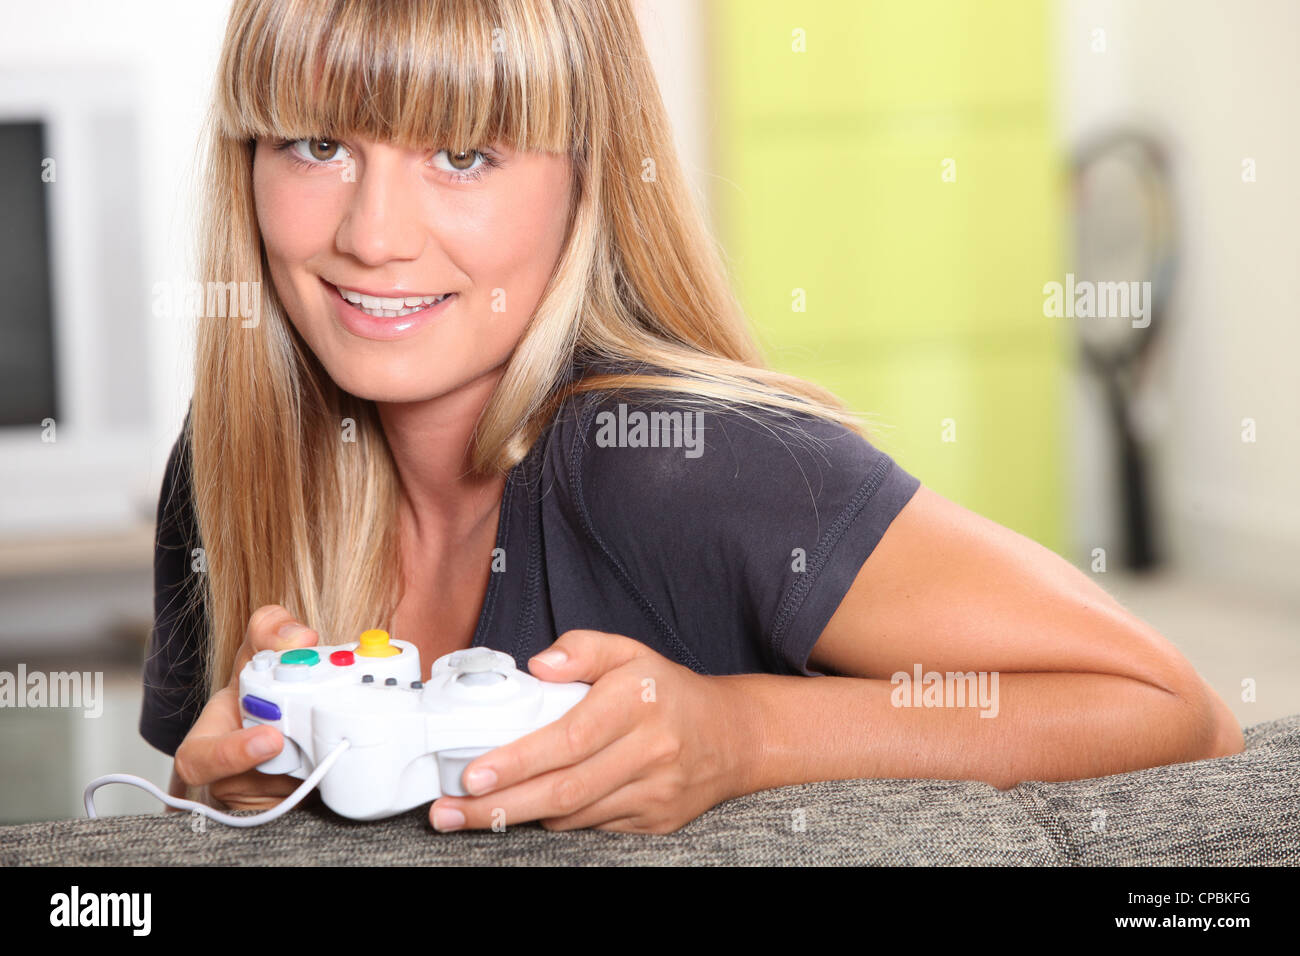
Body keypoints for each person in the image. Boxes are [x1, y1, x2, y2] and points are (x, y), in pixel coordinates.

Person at [141, 0, 1242, 835]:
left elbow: (1174, 709)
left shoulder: (673, 462)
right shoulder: (232, 461)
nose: (372, 233)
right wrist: (222, 796)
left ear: (587, 175)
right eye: (316, 146)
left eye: (464, 155)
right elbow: (211, 796)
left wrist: (739, 732)